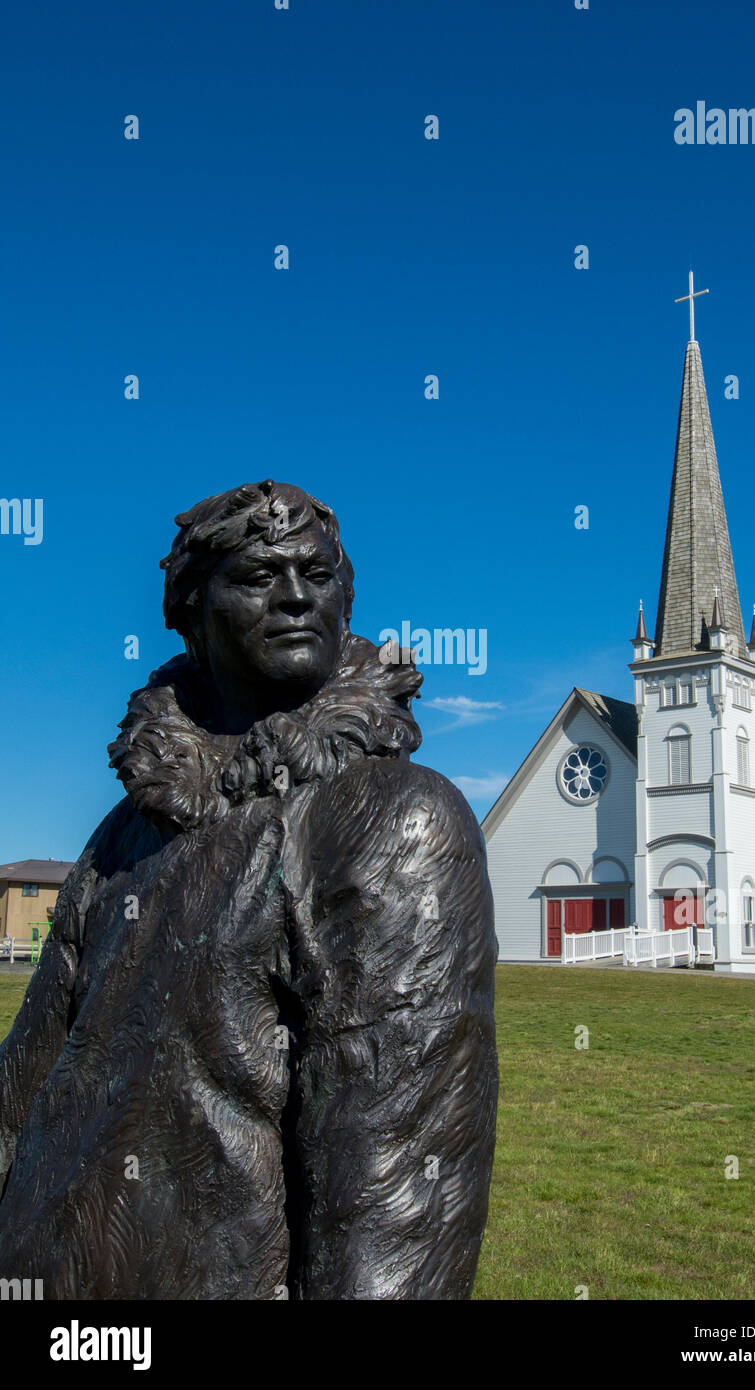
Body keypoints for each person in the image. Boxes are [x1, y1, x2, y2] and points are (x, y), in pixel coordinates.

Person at [0, 480, 498, 1300]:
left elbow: (397, 1200)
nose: (298, 596)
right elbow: (25, 1083)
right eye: (259, 577)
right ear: (191, 613)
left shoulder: (393, 821)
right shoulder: (125, 835)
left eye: (319, 574)